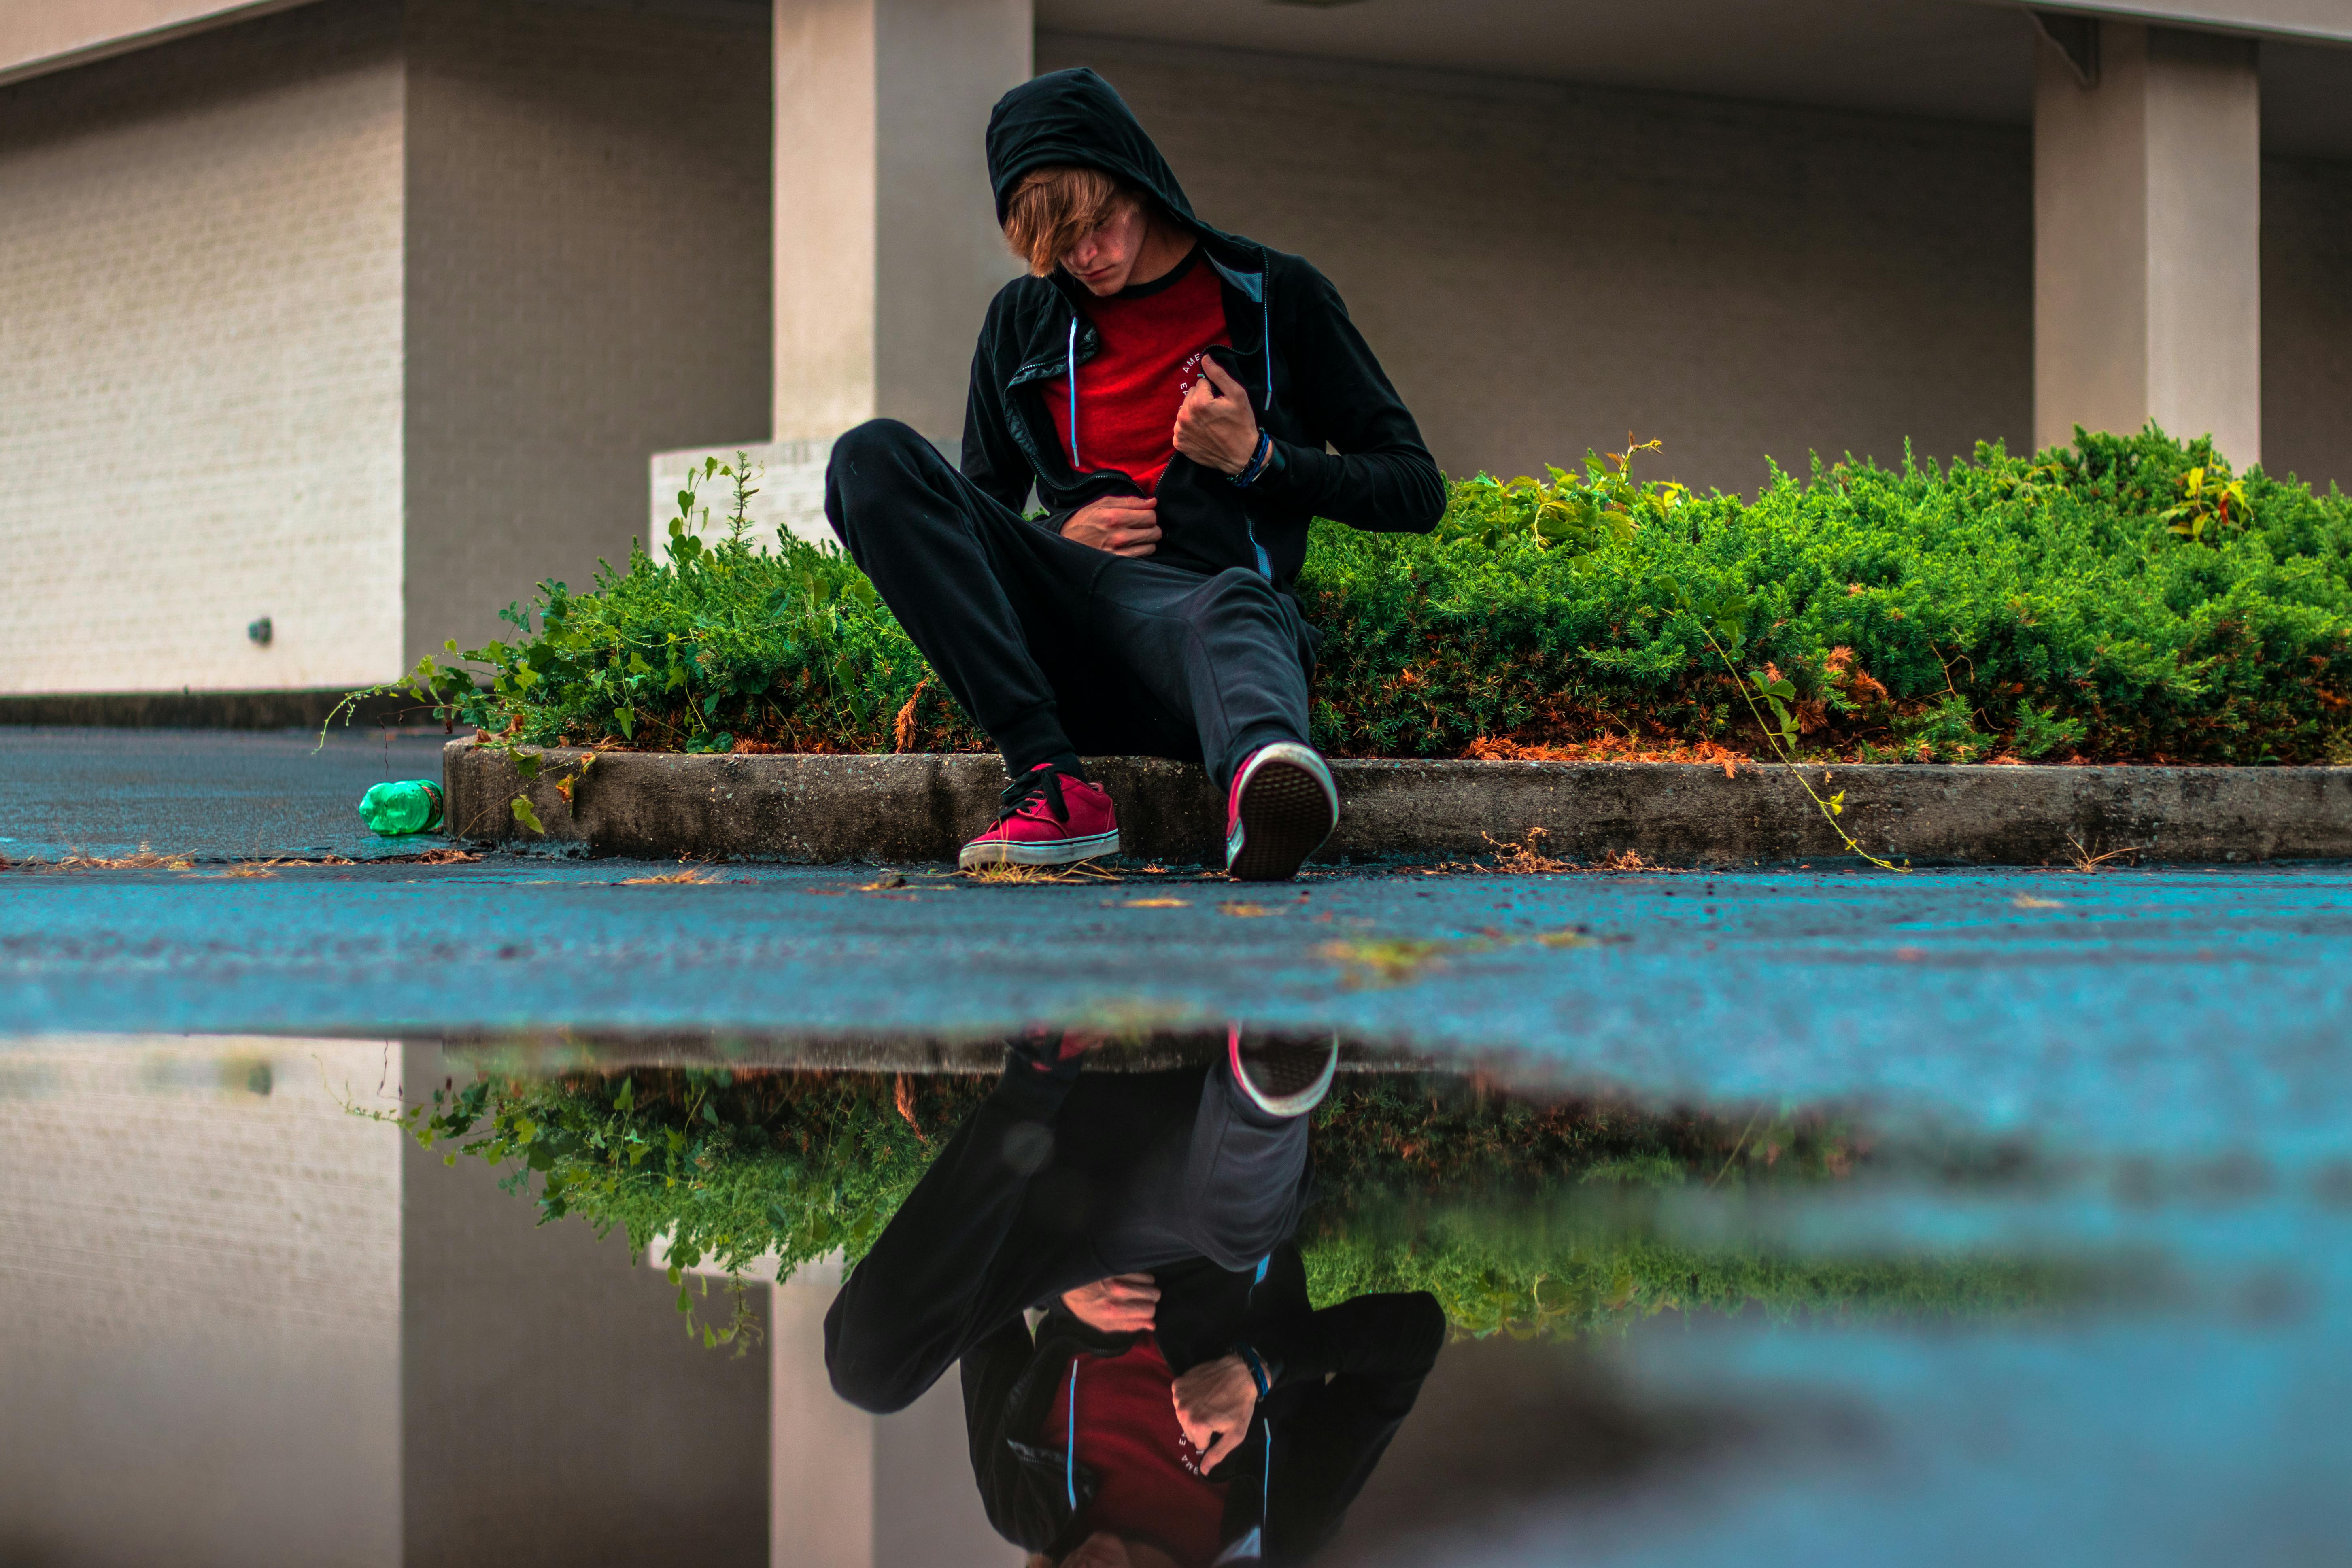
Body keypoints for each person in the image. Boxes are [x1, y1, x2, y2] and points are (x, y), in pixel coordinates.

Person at [823, 68, 1445, 880]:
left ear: (1139, 181)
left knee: (1233, 603)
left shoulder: (1273, 297)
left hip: (1197, 641)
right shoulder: (1020, 321)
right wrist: (1057, 534)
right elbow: (977, 516)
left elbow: (1412, 487)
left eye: (1096, 223)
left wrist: (1259, 459)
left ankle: (1267, 786)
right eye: (1053, 243)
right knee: (869, 457)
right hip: (1059, 637)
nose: (1081, 256)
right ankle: (1050, 780)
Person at [823, 1028, 1444, 1567]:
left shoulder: (1022, 1507)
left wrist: (1055, 1294)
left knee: (868, 1375)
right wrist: (1257, 1369)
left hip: (1056, 1186)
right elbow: (1413, 1336)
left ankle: (1038, 1065)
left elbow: (980, 1326)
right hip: (1205, 1203)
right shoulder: (1274, 1527)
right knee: (1235, 1231)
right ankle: (1266, 1075)